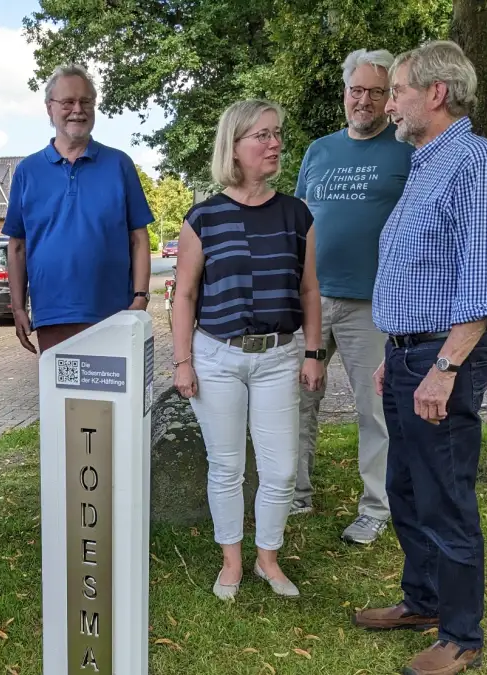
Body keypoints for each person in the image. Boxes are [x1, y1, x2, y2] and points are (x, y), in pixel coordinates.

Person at [352, 41, 487, 675]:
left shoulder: (475, 163)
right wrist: (397, 354)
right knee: (405, 486)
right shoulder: (426, 162)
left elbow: (482, 283)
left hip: (442, 359)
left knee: (446, 494)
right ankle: (420, 601)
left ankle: (461, 636)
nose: (388, 103)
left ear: (436, 93)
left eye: (396, 91)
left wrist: (443, 368)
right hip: (409, 354)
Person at [171, 99, 325, 601]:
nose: (275, 143)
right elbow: (186, 296)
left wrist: (313, 352)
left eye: (277, 134)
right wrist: (182, 361)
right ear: (234, 147)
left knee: (280, 468)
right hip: (216, 357)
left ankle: (269, 558)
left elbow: (309, 290)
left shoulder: (297, 214)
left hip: (280, 356)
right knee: (227, 466)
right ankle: (232, 561)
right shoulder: (204, 218)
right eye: (262, 135)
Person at [292, 48, 414, 545]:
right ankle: (295, 493)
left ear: (389, 100)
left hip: (372, 304)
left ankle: (375, 507)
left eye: (376, 92)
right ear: (344, 93)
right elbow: (299, 221)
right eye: (356, 90)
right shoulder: (318, 150)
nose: (364, 99)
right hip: (315, 299)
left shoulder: (407, 151)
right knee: (300, 399)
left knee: (374, 408)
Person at [2, 63, 154, 352]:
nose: (78, 109)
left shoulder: (119, 164)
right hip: (52, 316)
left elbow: (139, 238)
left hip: (116, 315)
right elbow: (17, 246)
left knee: (113, 398)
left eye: (86, 101)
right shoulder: (27, 171)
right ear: (49, 108)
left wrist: (141, 297)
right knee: (62, 398)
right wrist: (19, 308)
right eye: (68, 102)